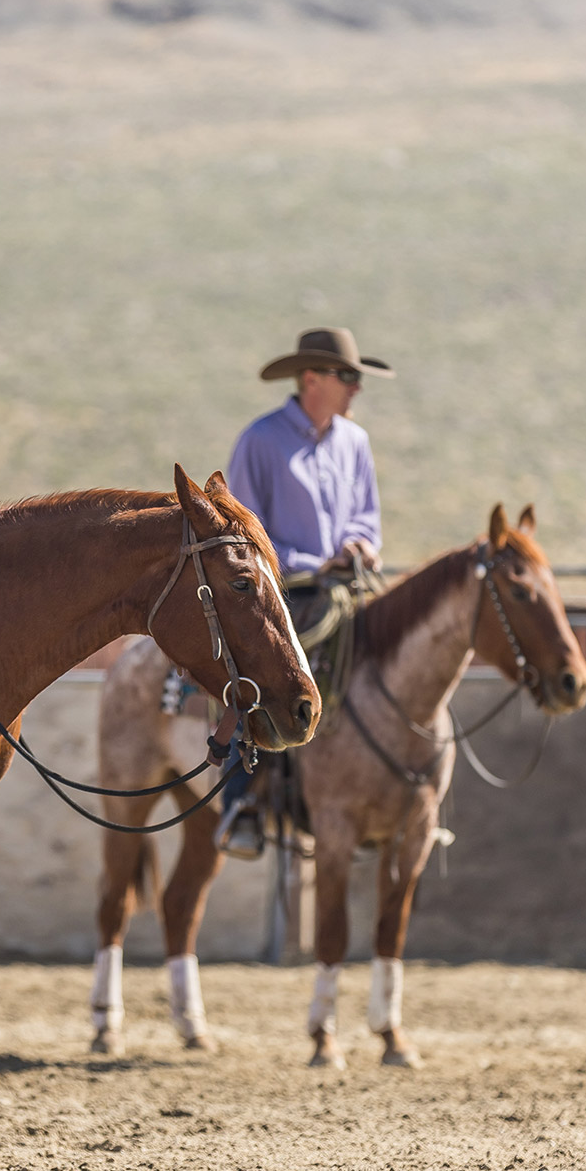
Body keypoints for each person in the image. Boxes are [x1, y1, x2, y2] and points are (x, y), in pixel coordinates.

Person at [213, 326, 392, 858]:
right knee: (266, 673)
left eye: (359, 377)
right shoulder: (260, 441)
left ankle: (384, 801)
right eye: (348, 376)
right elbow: (242, 532)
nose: (357, 387)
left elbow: (367, 517)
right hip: (282, 594)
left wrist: (360, 545)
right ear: (311, 378)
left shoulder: (354, 442)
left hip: (346, 587)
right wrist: (317, 562)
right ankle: (240, 800)